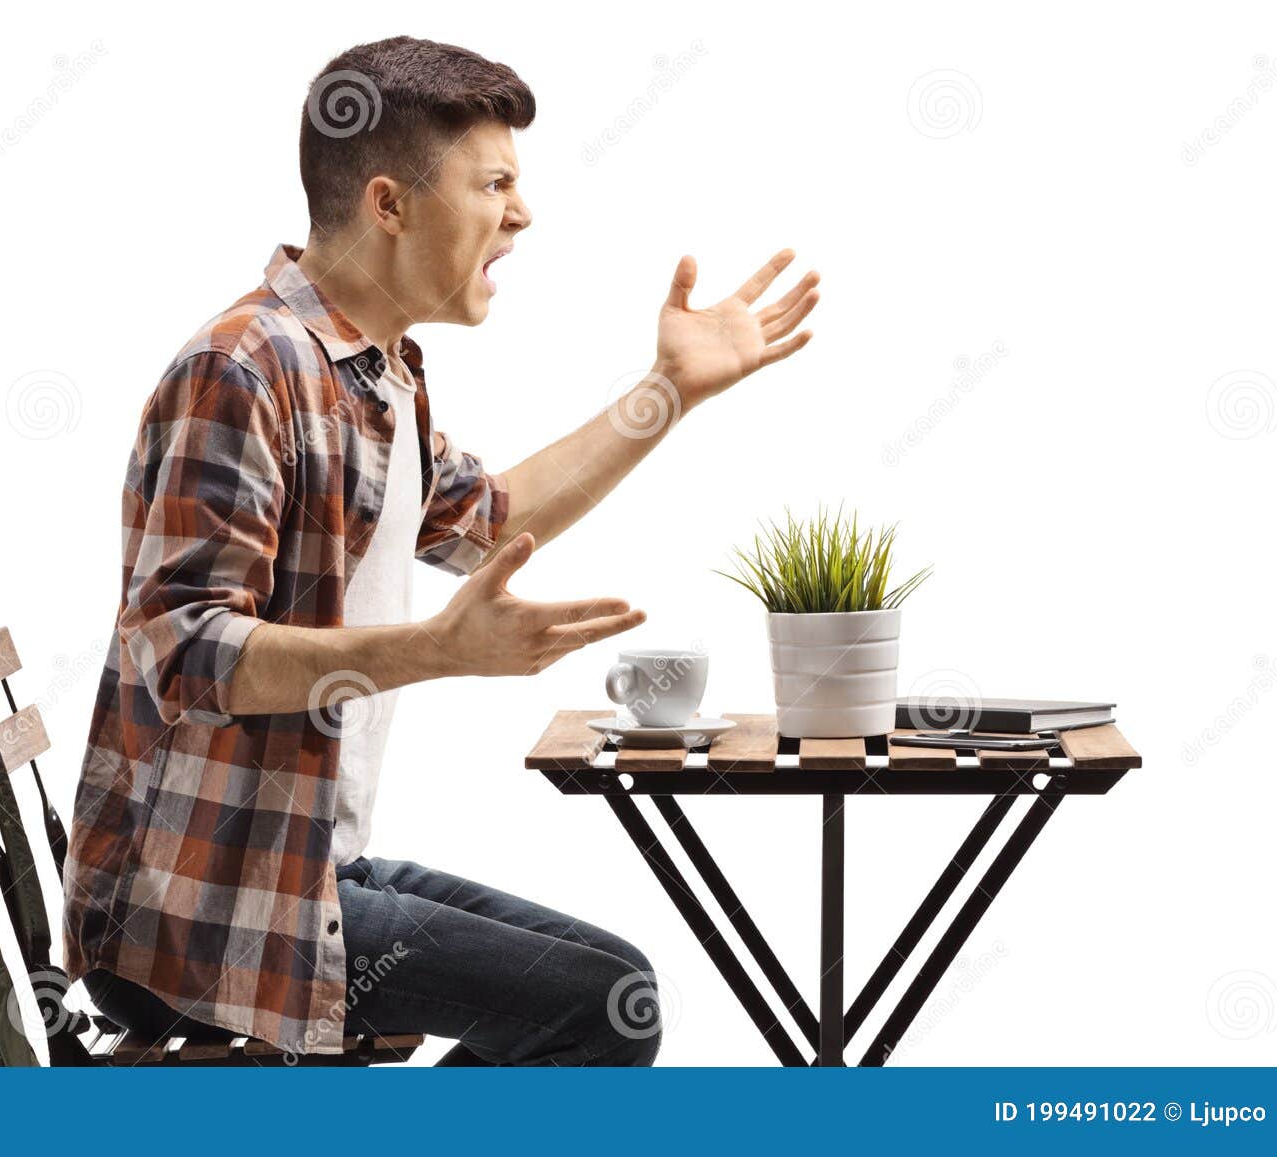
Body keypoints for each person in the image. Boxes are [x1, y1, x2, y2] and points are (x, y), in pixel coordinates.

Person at [64, 35, 819, 1066]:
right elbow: (188, 652)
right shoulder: (244, 368)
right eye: (494, 183)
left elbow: (487, 521)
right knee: (603, 1006)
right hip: (198, 909)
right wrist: (435, 650)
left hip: (301, 869)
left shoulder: (375, 373)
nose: (522, 212)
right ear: (389, 204)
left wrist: (669, 391)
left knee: (615, 981)